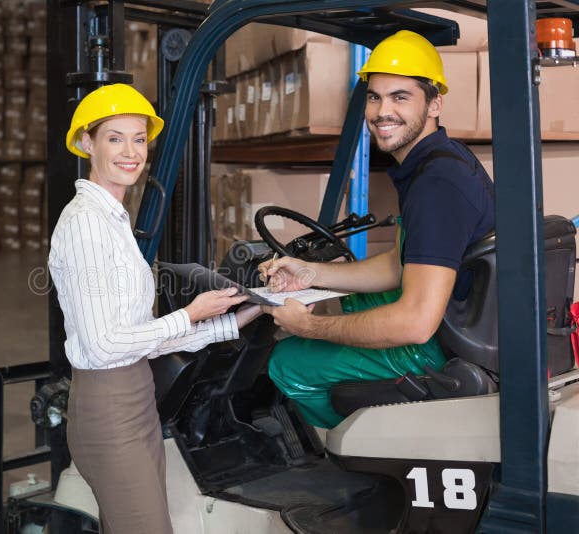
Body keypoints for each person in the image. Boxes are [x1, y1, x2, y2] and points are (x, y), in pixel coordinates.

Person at [48, 84, 262, 533]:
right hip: (109, 410)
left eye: (139, 139)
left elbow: (142, 335)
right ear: (87, 143)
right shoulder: (86, 224)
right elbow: (106, 346)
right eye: (114, 138)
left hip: (138, 402)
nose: (131, 152)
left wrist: (240, 317)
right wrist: (191, 314)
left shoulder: (115, 220)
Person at [259, 30, 495, 430]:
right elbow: (400, 266)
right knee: (348, 305)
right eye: (374, 97)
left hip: (441, 345)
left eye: (400, 97)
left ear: (435, 101)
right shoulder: (435, 162)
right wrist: (309, 271)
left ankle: (354, 464)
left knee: (288, 362)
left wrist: (309, 327)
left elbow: (415, 324)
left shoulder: (437, 183)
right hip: (460, 320)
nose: (382, 111)